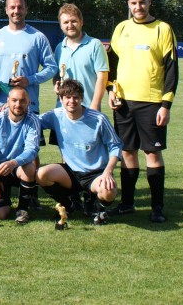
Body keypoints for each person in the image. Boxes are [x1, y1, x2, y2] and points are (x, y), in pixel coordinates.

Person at [106, 0, 178, 223]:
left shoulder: (163, 29)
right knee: (127, 152)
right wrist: (110, 90)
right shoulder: (122, 28)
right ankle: (128, 204)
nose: (138, 7)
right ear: (128, 4)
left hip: (152, 103)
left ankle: (157, 208)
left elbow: (171, 69)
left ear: (150, 2)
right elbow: (112, 64)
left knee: (152, 153)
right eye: (134, 3)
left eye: (142, 2)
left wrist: (165, 105)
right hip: (123, 102)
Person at [37, 79, 121, 225]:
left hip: (96, 173)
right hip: (71, 173)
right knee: (41, 174)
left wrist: (108, 172)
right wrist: (7, 109)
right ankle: (68, 205)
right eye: (67, 97)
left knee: (109, 191)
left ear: (81, 98)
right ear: (61, 99)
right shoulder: (56, 115)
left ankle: (97, 208)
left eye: (76, 97)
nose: (72, 101)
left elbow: (116, 146)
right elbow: (32, 121)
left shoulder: (98, 119)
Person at [0, 0, 57, 114]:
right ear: (6, 10)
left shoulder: (38, 37)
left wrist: (30, 80)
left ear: (26, 10)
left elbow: (52, 67)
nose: (16, 11)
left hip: (27, 106)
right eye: (12, 7)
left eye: (20, 7)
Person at [0, 86, 40, 224]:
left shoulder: (33, 120)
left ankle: (23, 209)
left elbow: (32, 150)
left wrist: (14, 162)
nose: (18, 104)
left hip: (17, 167)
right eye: (14, 100)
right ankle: (0, 198)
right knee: (0, 214)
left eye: (22, 101)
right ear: (7, 101)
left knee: (30, 167)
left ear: (28, 102)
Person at [54, 3, 109, 112]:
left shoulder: (95, 45)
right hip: (62, 111)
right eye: (65, 22)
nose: (70, 25)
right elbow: (57, 76)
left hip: (88, 109)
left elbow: (102, 77)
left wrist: (95, 105)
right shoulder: (59, 48)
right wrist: (55, 85)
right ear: (61, 25)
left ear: (81, 22)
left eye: (73, 21)